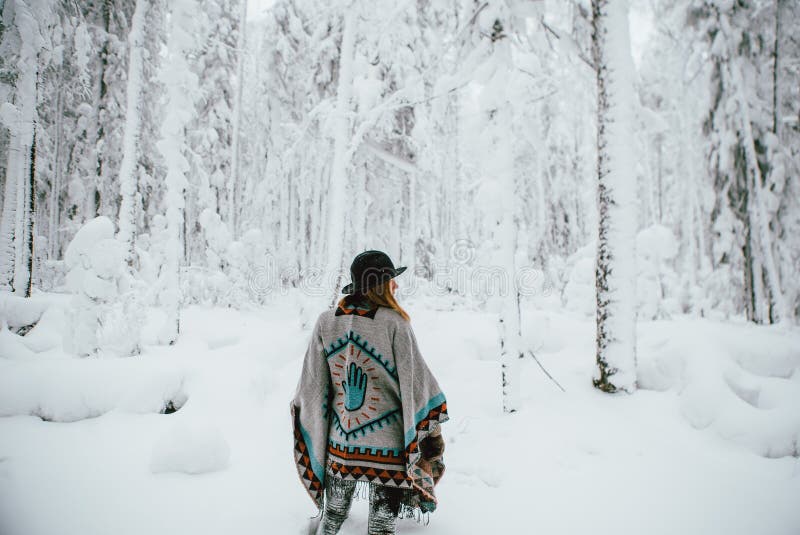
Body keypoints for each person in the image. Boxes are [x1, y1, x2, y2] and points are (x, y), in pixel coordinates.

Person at [291, 250, 448, 535]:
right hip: (388, 449)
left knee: (333, 516)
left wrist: (317, 418)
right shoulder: (395, 324)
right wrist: (432, 436)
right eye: (391, 280)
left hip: (341, 444)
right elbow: (416, 384)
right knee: (382, 526)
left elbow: (314, 384)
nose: (395, 285)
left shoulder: (327, 321)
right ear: (380, 285)